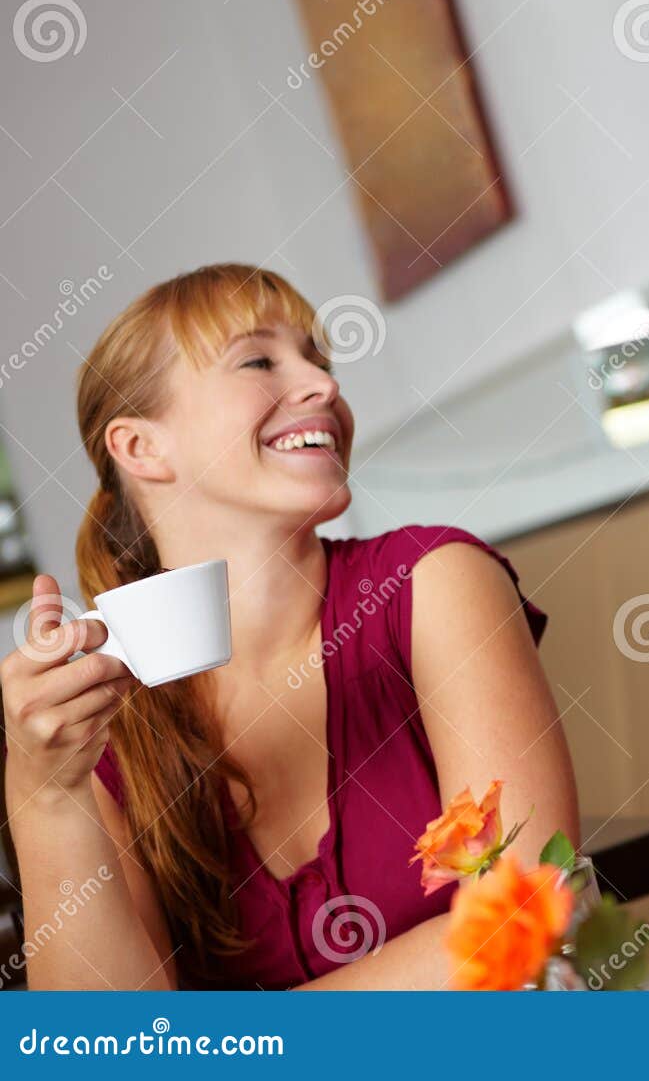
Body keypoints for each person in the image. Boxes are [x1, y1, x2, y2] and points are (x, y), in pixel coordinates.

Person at [1, 264, 579, 989]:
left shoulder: (434, 581)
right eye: (259, 360)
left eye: (320, 360)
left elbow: (526, 911)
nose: (325, 386)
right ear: (142, 448)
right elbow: (104, 1048)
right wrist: (47, 795)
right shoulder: (98, 724)